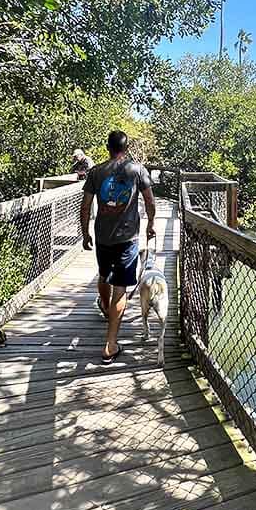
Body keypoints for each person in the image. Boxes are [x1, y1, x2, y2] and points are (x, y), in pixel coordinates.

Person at [80, 130, 156, 362]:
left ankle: (105, 306)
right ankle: (110, 345)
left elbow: (85, 206)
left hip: (102, 235)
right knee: (120, 287)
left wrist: (85, 233)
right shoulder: (138, 170)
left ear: (108, 147)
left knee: (104, 276)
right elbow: (150, 201)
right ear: (126, 146)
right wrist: (150, 225)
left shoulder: (96, 172)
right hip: (127, 237)